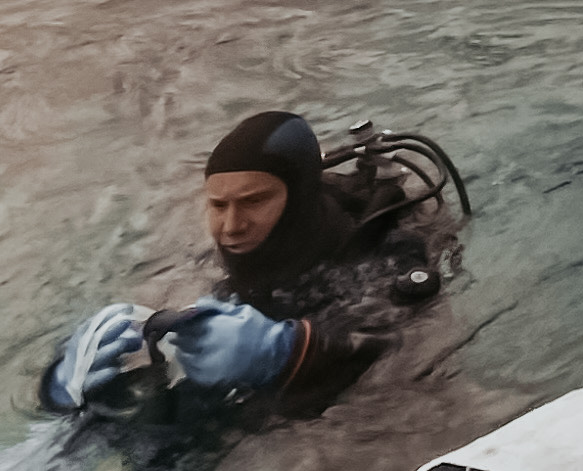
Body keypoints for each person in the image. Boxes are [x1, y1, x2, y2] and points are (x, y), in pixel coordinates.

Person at [40, 111, 463, 416]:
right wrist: (64, 380)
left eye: (254, 201)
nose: (231, 226)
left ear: (300, 198)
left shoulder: (388, 251)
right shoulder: (208, 263)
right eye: (217, 205)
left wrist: (288, 353)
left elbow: (409, 358)